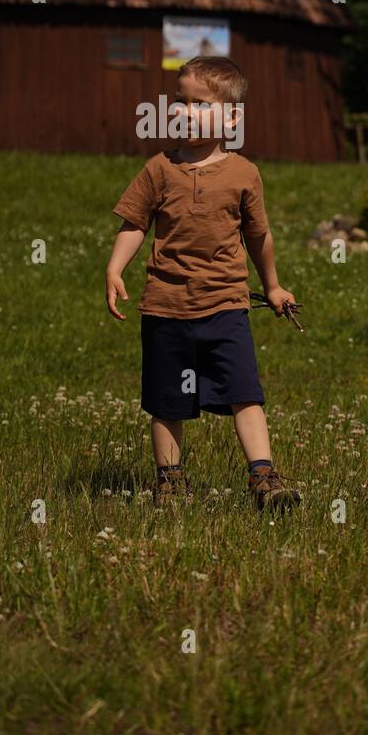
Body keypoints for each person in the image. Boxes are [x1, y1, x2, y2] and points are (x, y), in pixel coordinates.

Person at [105, 55, 301, 511]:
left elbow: (259, 236)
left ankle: (264, 477)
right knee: (167, 400)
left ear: (232, 117)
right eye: (179, 102)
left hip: (226, 305)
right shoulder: (159, 168)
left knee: (245, 393)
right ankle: (170, 482)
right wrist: (115, 269)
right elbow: (135, 223)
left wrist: (272, 287)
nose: (183, 112)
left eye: (199, 104)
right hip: (165, 307)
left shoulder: (244, 173)